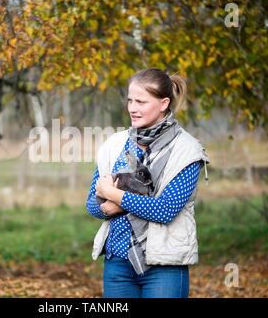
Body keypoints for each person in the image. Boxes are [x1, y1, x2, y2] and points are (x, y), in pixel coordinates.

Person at [86, 68, 209, 298]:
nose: (133, 108)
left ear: (163, 103)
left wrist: (114, 196)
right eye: (130, 100)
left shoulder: (187, 150)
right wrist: (105, 207)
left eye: (141, 102)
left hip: (164, 267)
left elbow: (165, 210)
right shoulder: (115, 145)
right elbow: (92, 204)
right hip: (118, 265)